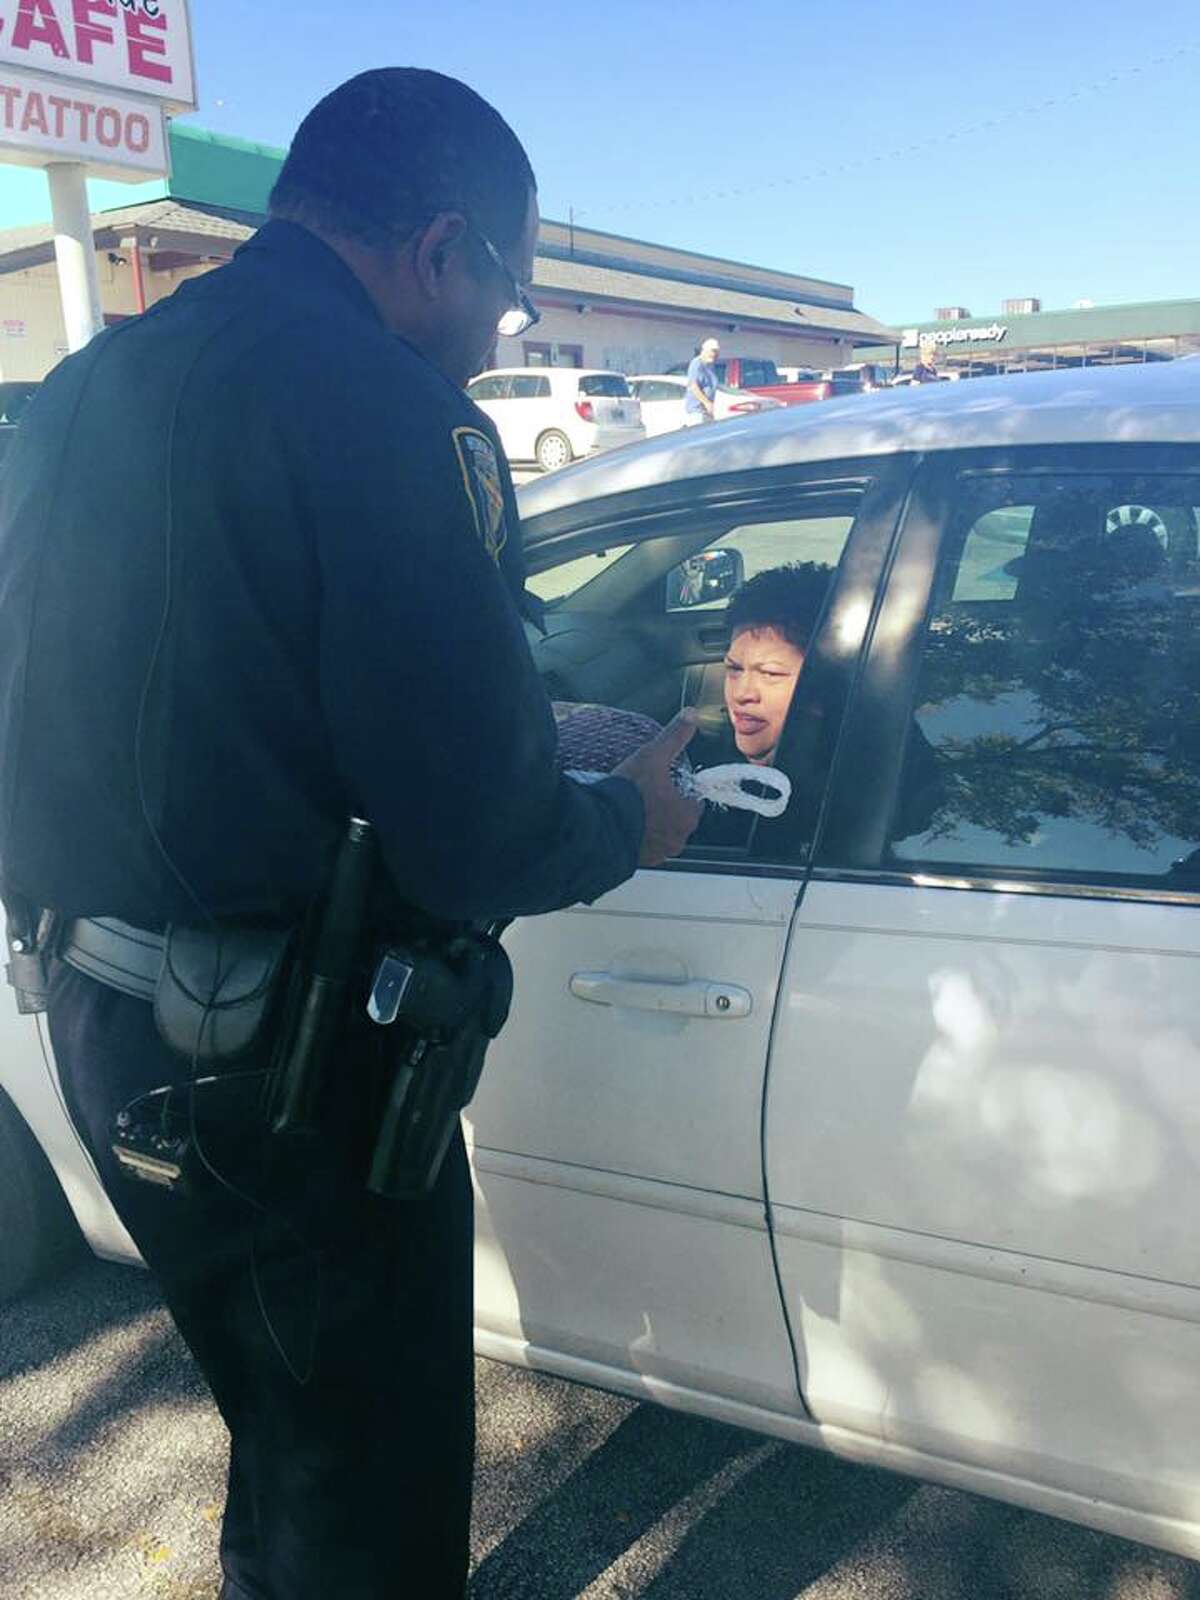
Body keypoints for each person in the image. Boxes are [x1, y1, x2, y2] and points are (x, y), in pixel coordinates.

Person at [0, 69, 699, 1600]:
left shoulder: (85, 390)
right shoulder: (388, 410)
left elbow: (194, 686)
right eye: (509, 296)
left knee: (289, 1432)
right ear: (443, 249)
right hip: (286, 1076)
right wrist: (625, 814)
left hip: (99, 1022)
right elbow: (479, 845)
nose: (499, 334)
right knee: (371, 1499)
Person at [683, 336, 720, 425]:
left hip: (706, 412)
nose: (714, 354)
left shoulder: (710, 366)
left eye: (716, 352)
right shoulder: (696, 364)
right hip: (696, 412)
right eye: (712, 351)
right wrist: (706, 403)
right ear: (704, 350)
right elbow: (693, 386)